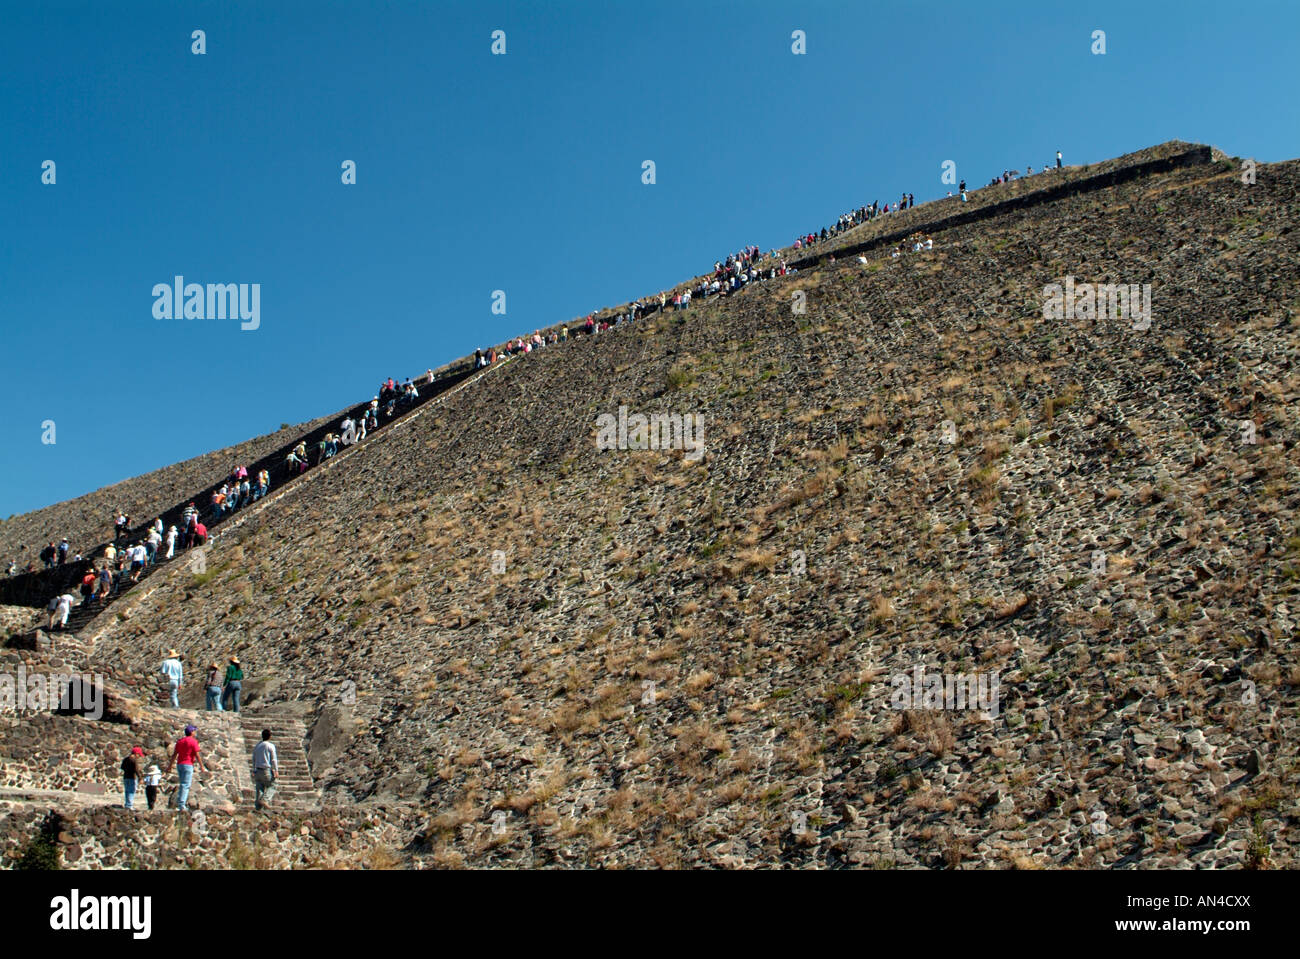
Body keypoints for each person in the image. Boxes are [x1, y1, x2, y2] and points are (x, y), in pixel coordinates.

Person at [165, 724, 205, 812]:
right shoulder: (193, 741)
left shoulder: (180, 741)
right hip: (188, 764)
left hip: (180, 764)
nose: (195, 732)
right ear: (191, 732)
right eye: (194, 731)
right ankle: (181, 805)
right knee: (185, 785)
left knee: (182, 784)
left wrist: (170, 766)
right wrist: (202, 766)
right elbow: (197, 754)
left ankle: (180, 803)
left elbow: (174, 754)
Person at [252, 728, 278, 811]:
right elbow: (273, 759)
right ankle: (265, 800)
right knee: (273, 785)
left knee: (260, 790)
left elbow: (254, 758)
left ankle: (258, 809)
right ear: (270, 736)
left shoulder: (258, 746)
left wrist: (254, 769)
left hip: (258, 770)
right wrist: (276, 770)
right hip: (266, 770)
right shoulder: (270, 745)